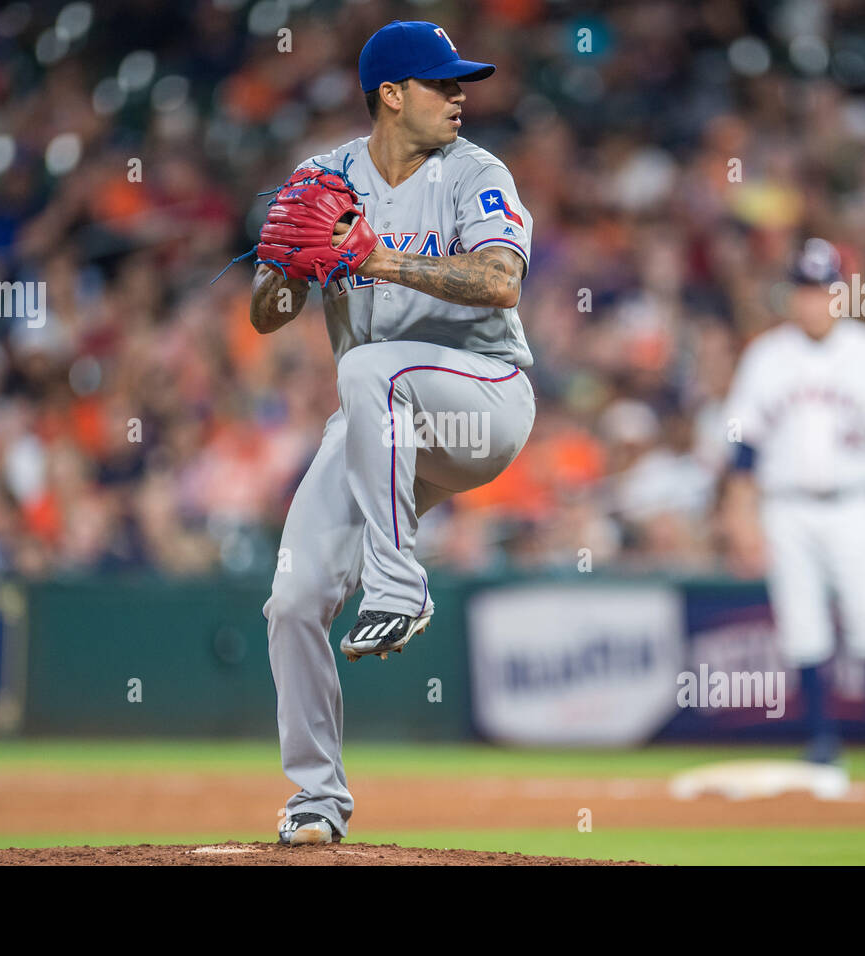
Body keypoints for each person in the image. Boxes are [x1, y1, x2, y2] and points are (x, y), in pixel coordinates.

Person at [249, 20, 537, 844]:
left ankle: (398, 581)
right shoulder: (323, 176)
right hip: (380, 424)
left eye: (461, 82)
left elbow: (500, 281)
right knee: (294, 599)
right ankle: (314, 799)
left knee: (368, 370)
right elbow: (268, 314)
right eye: (443, 83)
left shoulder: (473, 171)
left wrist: (374, 259)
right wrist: (288, 273)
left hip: (482, 400)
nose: (460, 95)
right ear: (391, 94)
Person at [723, 239, 865, 770]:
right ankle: (822, 740)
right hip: (785, 506)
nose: (815, 301)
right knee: (801, 622)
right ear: (794, 296)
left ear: (841, 293)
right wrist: (740, 516)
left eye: (824, 290)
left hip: (857, 504)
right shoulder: (765, 355)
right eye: (807, 291)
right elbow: (743, 451)